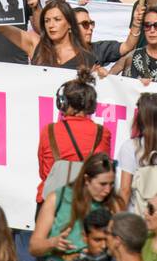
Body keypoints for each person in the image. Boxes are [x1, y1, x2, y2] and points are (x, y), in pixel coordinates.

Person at [32, 152, 121, 261]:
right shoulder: (58, 198)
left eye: (111, 184)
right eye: (102, 184)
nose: (108, 190)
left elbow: (122, 248)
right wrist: (52, 243)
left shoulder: (113, 205)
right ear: (86, 179)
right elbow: (34, 247)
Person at [36, 68, 113, 204]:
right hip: (84, 202)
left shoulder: (49, 130)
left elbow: (44, 172)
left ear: (63, 103)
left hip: (51, 201)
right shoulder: (103, 133)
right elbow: (102, 170)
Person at [116, 92, 157, 213]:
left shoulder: (130, 147)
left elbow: (125, 190)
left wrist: (117, 222)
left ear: (140, 117)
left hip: (140, 214)